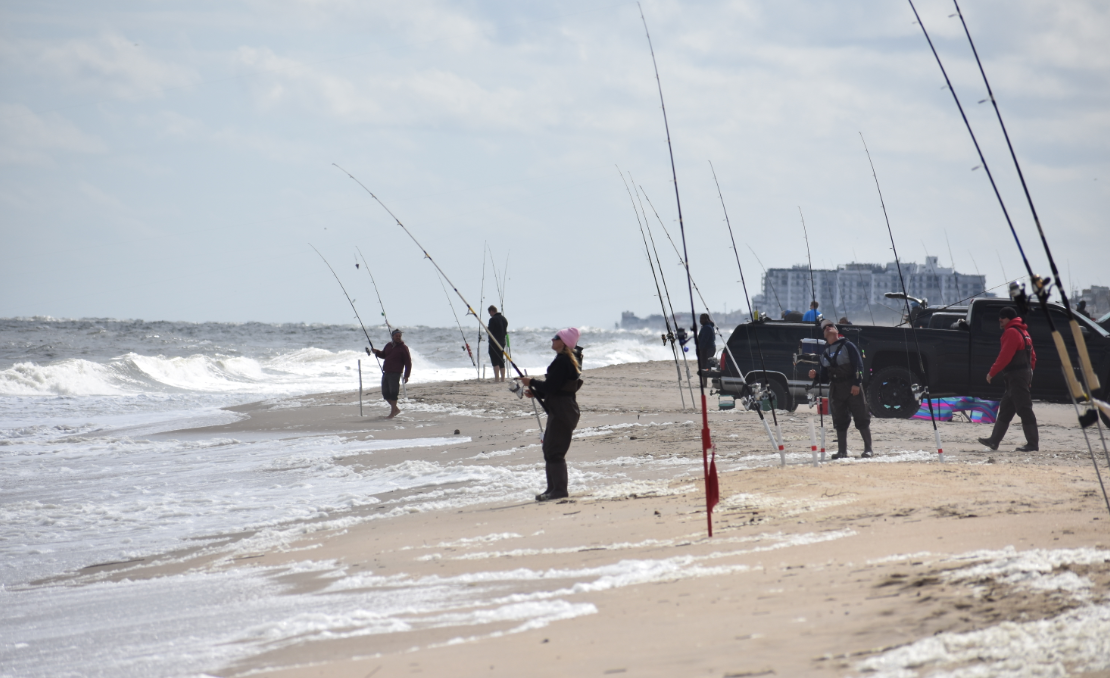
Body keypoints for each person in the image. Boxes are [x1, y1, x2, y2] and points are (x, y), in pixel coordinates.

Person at [520, 328, 583, 502]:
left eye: (556, 337)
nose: (552, 339)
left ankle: (559, 490)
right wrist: (537, 393)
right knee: (549, 449)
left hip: (563, 411)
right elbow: (557, 388)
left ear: (563, 342)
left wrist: (531, 382)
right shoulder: (564, 360)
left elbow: (551, 387)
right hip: (562, 409)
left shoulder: (563, 361)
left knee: (555, 451)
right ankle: (552, 488)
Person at [808, 319, 873, 459]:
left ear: (836, 330)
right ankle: (842, 451)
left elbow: (858, 366)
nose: (828, 328)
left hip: (851, 386)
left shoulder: (848, 346)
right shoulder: (824, 353)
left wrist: (856, 383)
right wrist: (815, 376)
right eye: (825, 328)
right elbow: (824, 378)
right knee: (839, 420)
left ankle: (868, 449)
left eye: (830, 326)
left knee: (861, 416)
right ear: (824, 335)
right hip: (836, 389)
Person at [978, 307, 1038, 452]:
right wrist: (1029, 375)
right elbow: (1033, 357)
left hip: (1016, 377)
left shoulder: (1011, 332)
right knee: (1005, 409)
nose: (1000, 319)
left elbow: (1005, 356)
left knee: (1024, 409)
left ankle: (1032, 444)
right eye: (999, 316)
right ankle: (994, 441)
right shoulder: (1024, 332)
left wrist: (991, 373)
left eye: (1003, 317)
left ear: (1010, 319)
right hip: (1018, 377)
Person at [371, 328, 411, 418]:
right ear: (392, 336)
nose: (398, 337)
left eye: (399, 336)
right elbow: (384, 355)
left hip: (395, 373)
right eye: (396, 336)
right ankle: (396, 410)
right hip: (386, 372)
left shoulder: (403, 348)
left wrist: (406, 375)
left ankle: (392, 413)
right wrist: (376, 352)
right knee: (385, 394)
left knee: (393, 393)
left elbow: (408, 362)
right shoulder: (388, 345)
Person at [487, 305, 509, 382]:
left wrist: (487, 329)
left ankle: (497, 379)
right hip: (502, 342)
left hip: (494, 342)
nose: (490, 315)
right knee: (501, 359)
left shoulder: (492, 320)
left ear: (491, 311)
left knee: (494, 360)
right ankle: (503, 379)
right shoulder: (504, 319)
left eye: (489, 313)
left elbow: (490, 331)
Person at [697, 313, 716, 388]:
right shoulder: (707, 326)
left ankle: (705, 384)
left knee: (705, 366)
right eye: (700, 319)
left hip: (707, 348)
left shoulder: (707, 327)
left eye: (702, 319)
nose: (700, 320)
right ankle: (705, 383)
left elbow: (704, 340)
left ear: (707, 319)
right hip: (709, 348)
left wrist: (700, 349)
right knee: (705, 366)